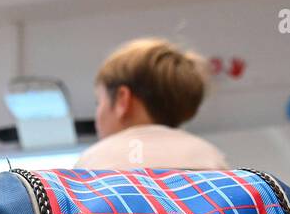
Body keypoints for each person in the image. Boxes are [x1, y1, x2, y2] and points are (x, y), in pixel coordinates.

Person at [74, 37, 227, 171]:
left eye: (98, 102)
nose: (97, 115)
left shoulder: (94, 162)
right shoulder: (211, 159)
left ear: (122, 100)